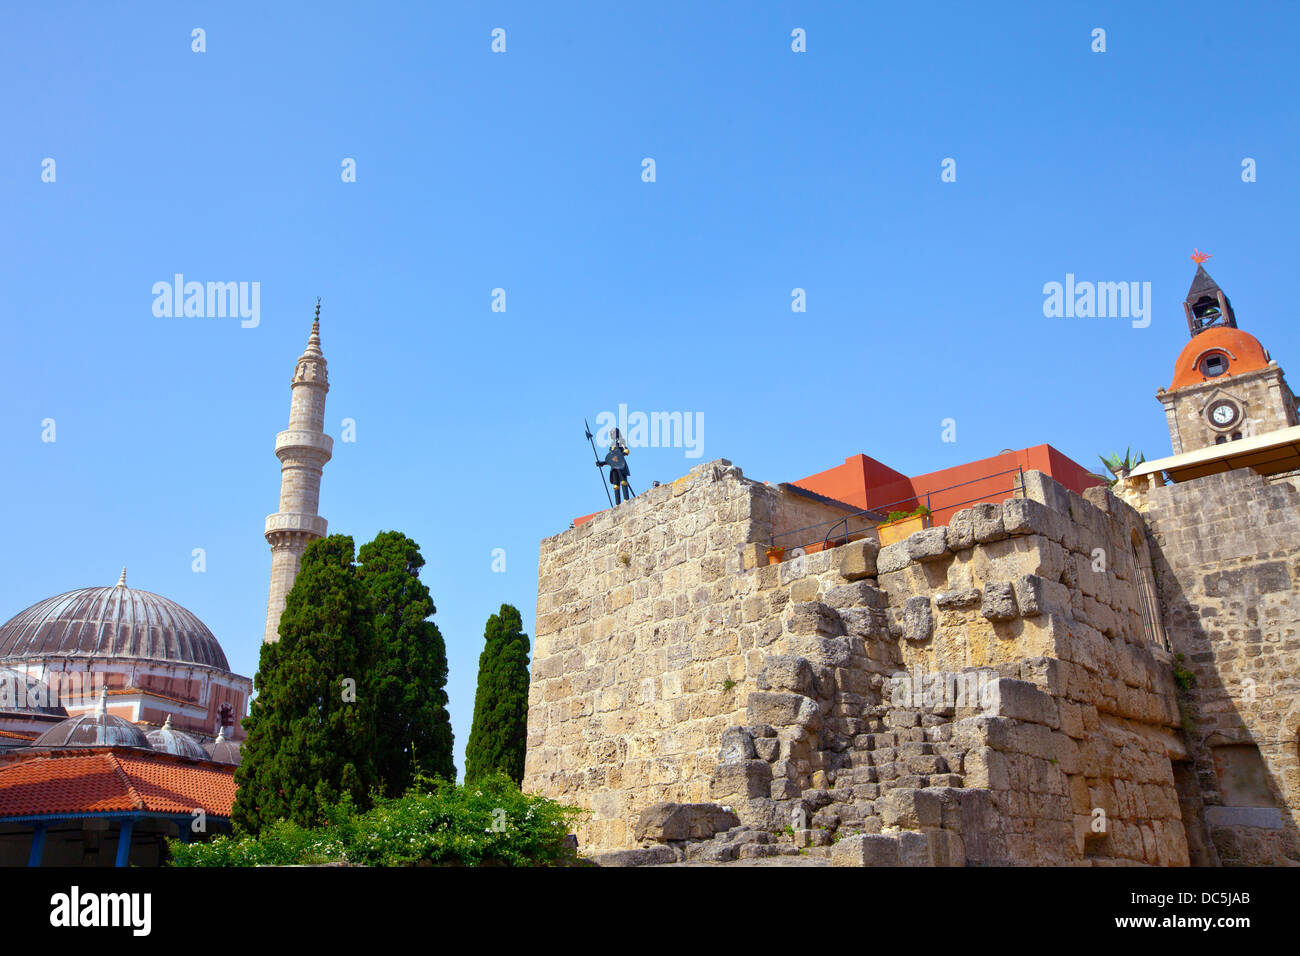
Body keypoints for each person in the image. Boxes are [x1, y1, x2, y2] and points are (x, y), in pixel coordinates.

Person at [597, 428, 634, 504]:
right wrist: (602, 463)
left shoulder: (621, 441)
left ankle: (626, 500)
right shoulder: (611, 446)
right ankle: (617, 504)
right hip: (614, 467)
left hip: (620, 465)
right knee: (616, 485)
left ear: (617, 433)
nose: (611, 434)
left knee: (623, 481)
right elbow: (611, 460)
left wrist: (620, 456)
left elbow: (626, 451)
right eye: (611, 433)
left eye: (613, 433)